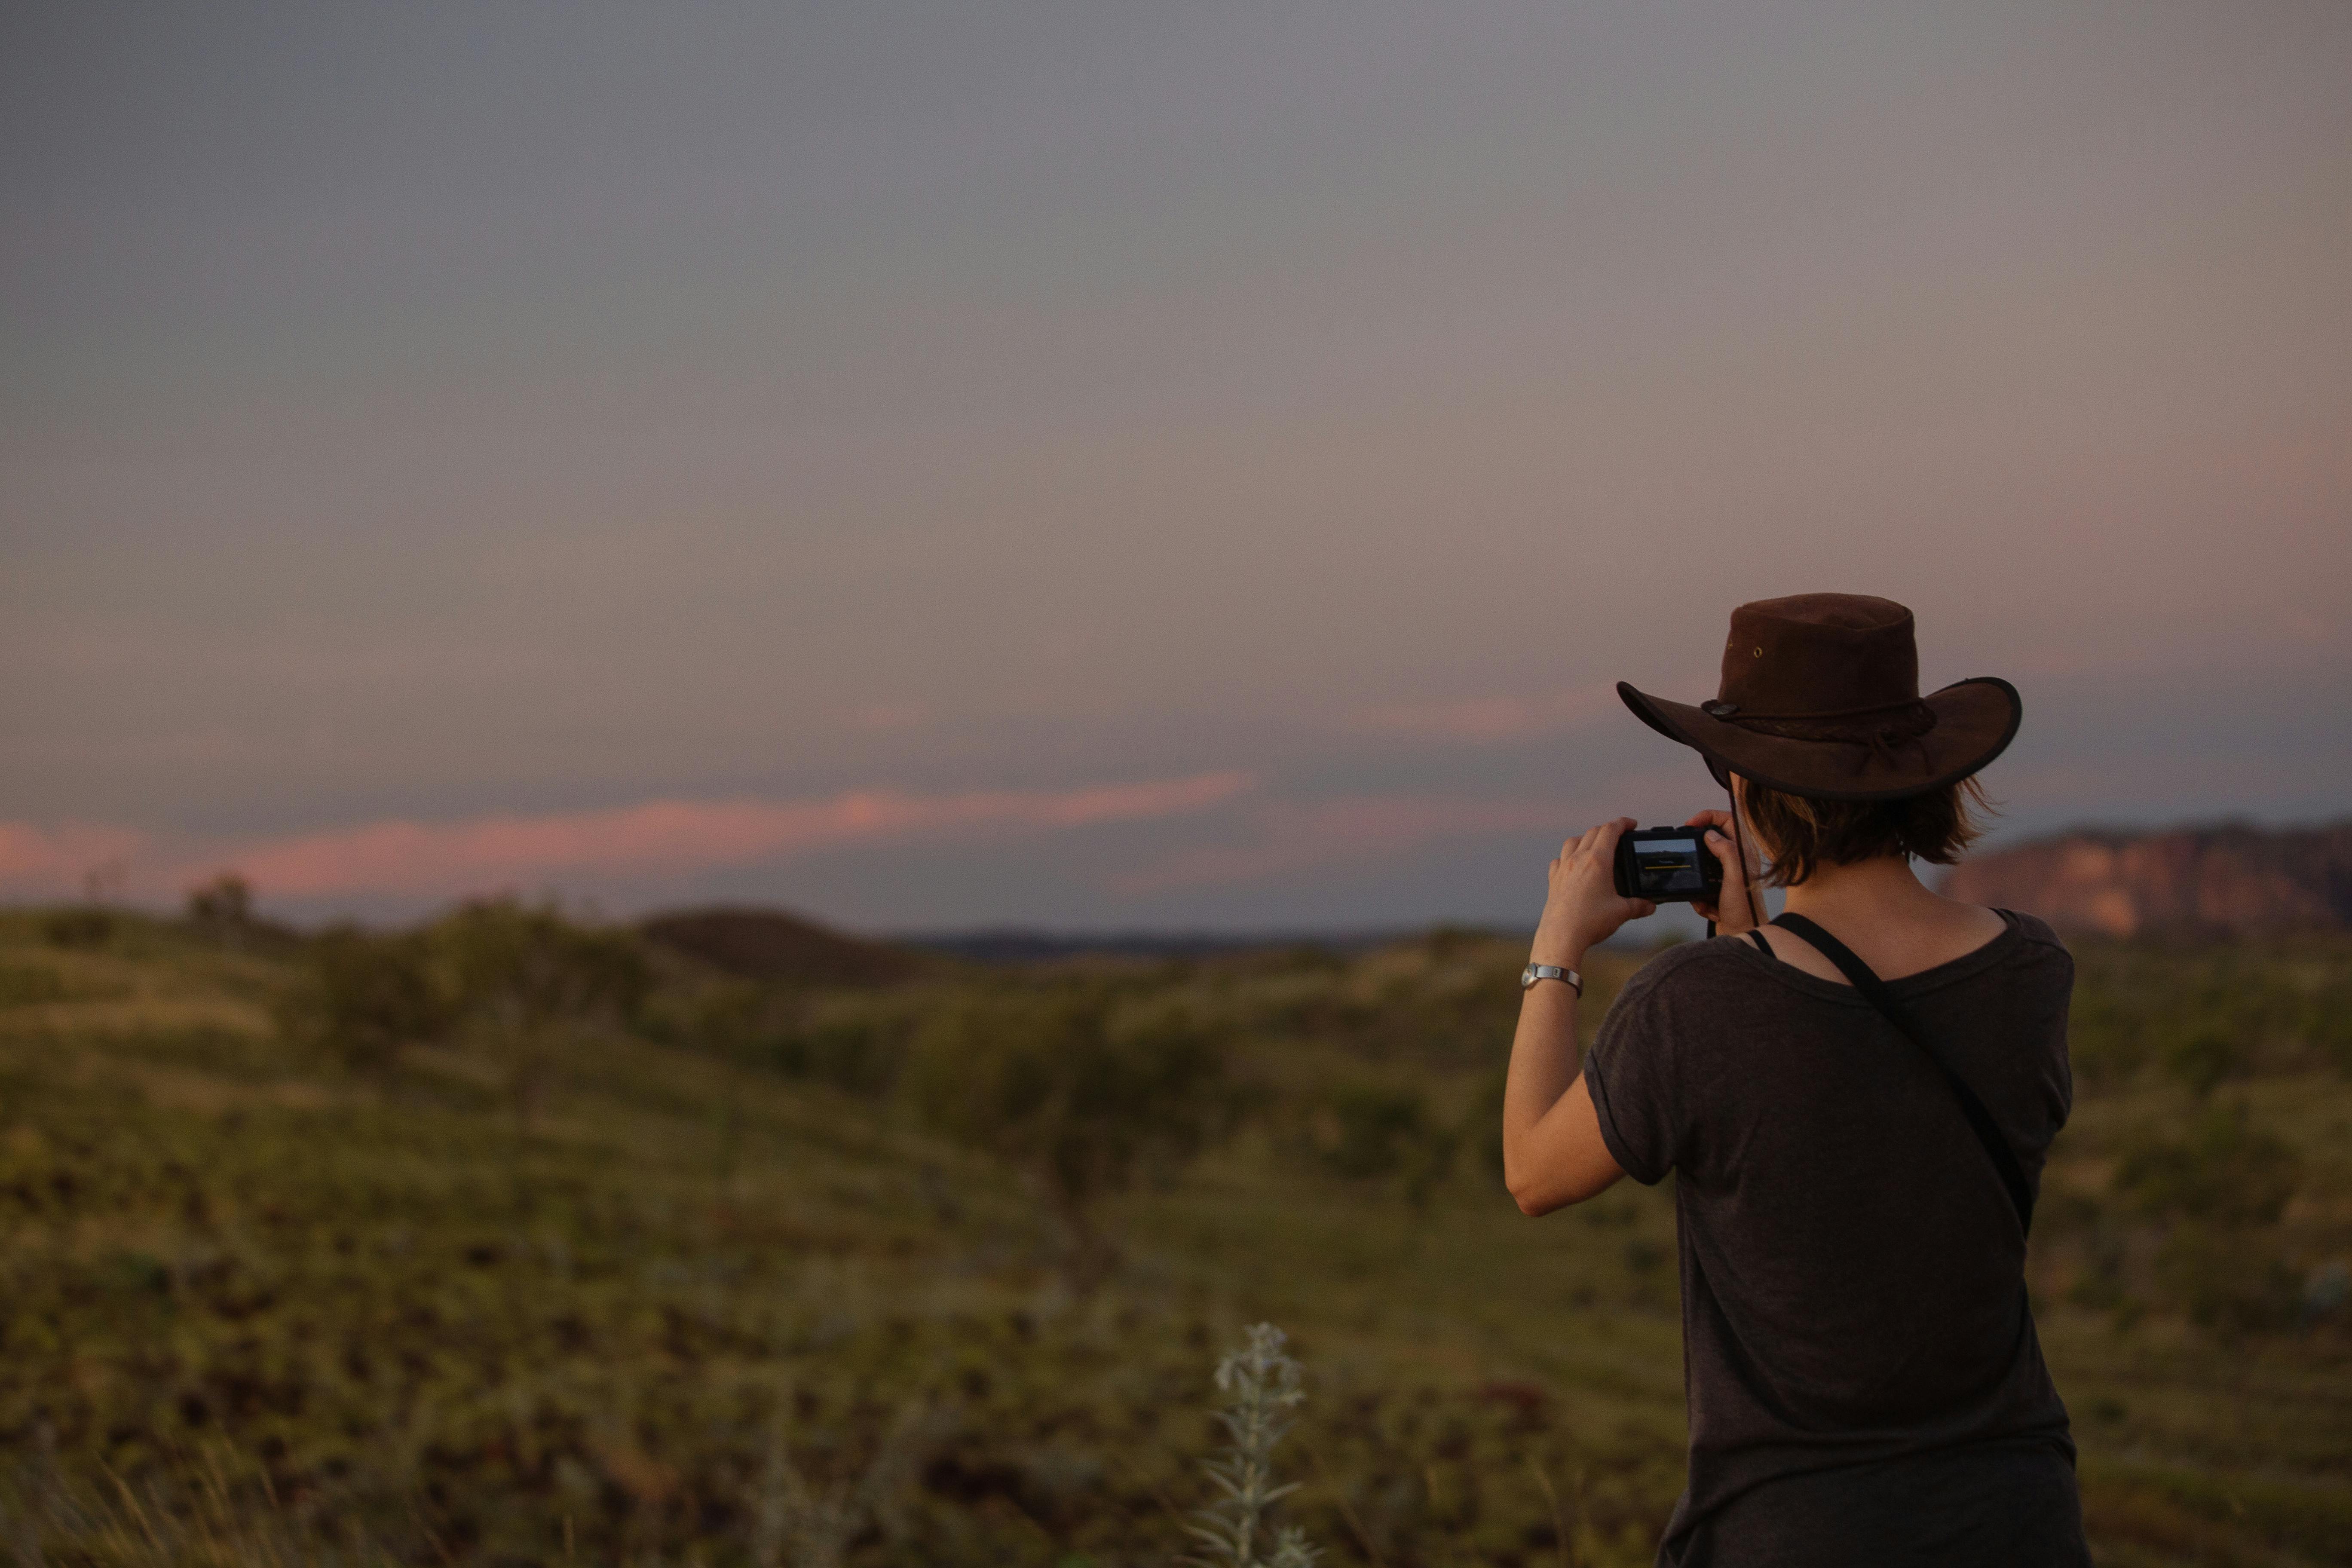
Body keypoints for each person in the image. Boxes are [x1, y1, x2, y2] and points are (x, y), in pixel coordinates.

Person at [1500, 594, 2089, 1567]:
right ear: (1927, 777)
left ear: (1751, 785)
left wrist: (1555, 947)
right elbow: (1843, 1091)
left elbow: (1533, 1172)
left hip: (1796, 1531)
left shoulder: (1693, 1003)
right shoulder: (2032, 969)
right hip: (2014, 1515)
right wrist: (1757, 938)